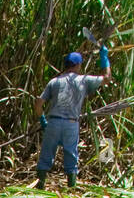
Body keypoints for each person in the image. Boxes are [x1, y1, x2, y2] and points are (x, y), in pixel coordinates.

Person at [35, 48, 111, 189]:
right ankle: (71, 187)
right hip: (71, 123)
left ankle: (40, 185)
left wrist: (43, 120)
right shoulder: (84, 80)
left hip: (53, 122)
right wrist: (104, 58)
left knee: (46, 153)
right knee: (71, 154)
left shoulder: (54, 82)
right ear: (77, 65)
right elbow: (107, 78)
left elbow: (39, 103)